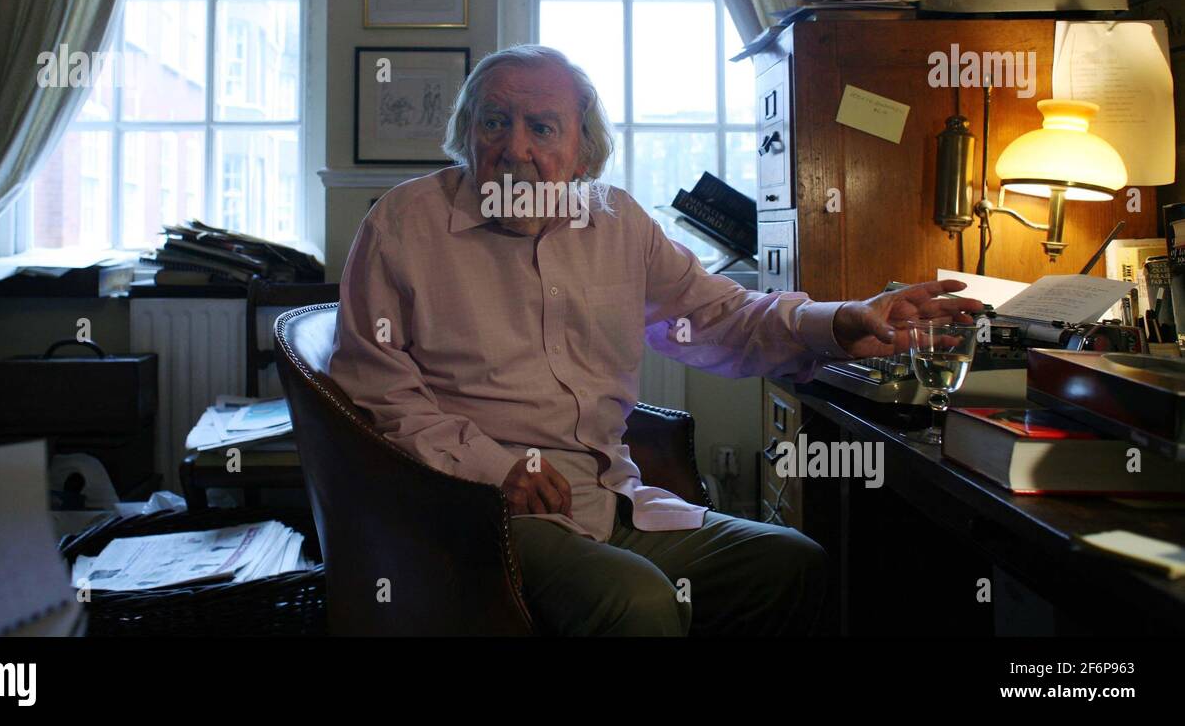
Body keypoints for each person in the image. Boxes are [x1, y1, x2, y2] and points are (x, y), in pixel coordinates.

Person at [328, 44, 984, 635]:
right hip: (480, 514)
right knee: (638, 603)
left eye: (542, 128)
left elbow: (721, 317)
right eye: (493, 122)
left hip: (612, 500)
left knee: (792, 564)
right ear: (465, 134)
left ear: (584, 152)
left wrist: (840, 321)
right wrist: (494, 467)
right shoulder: (403, 226)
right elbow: (375, 393)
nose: (513, 148)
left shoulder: (618, 225)